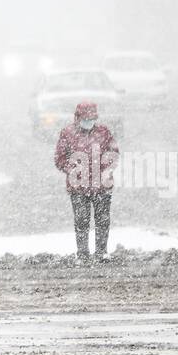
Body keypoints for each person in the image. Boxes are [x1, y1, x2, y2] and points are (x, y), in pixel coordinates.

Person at [53, 101, 119, 261]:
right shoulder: (67, 133)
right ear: (78, 117)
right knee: (81, 220)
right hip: (78, 187)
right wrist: (74, 170)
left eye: (92, 118)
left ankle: (101, 252)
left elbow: (114, 152)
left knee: (102, 220)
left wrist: (103, 168)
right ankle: (82, 253)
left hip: (102, 186)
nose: (89, 122)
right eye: (86, 118)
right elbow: (59, 158)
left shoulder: (104, 132)